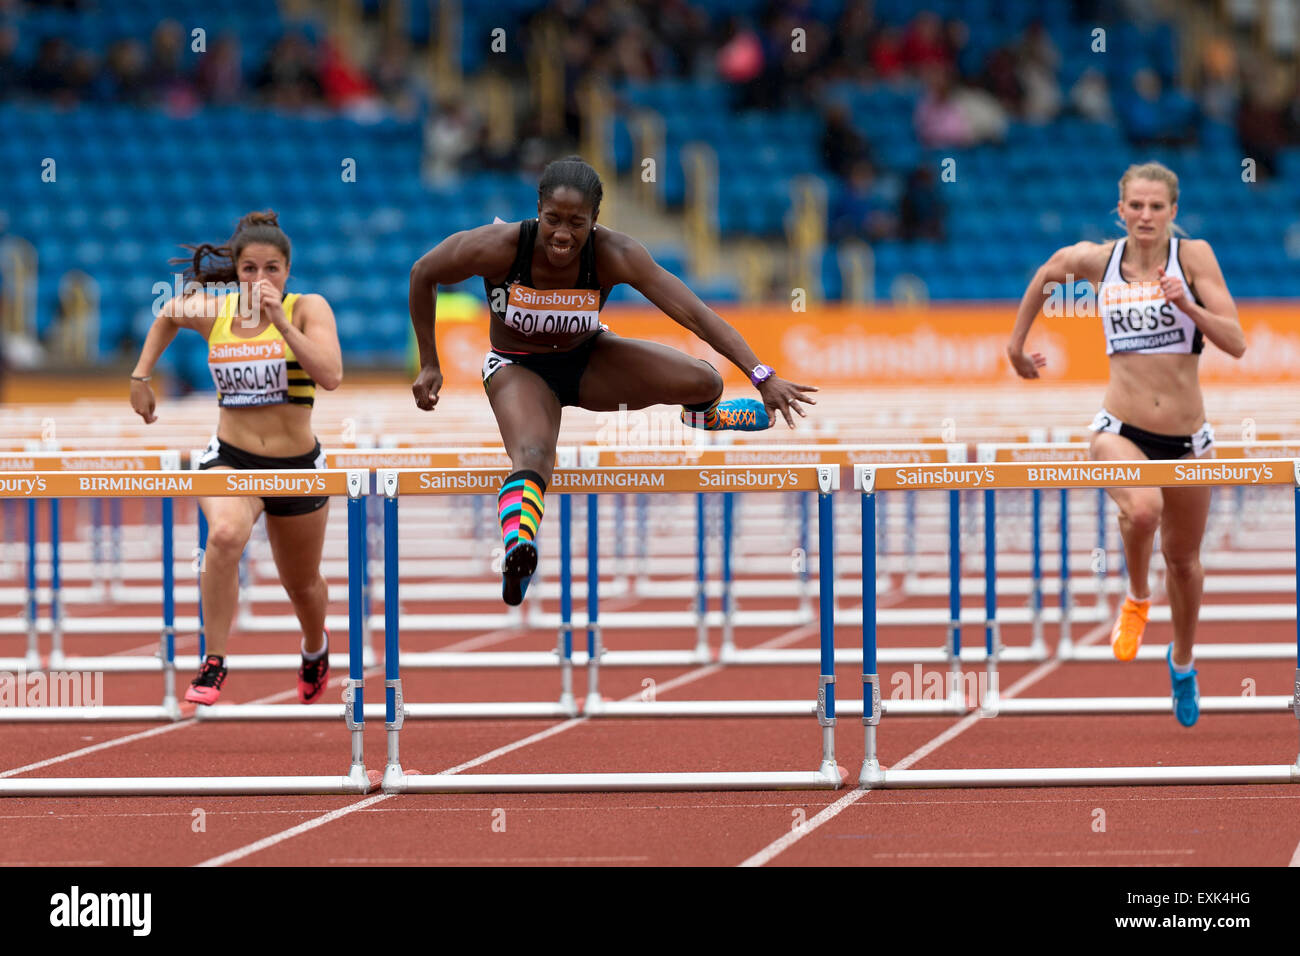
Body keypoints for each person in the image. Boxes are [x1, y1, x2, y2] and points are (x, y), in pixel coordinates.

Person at [409, 156, 816, 606]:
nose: (562, 235)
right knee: (534, 453)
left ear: (596, 221)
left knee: (704, 381)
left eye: (576, 224)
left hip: (589, 360)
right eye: (553, 220)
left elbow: (696, 315)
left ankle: (706, 417)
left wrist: (761, 375)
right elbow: (423, 273)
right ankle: (518, 547)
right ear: (538, 209)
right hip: (518, 368)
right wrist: (430, 362)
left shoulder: (616, 254)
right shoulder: (499, 246)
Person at [1007, 162, 1245, 728]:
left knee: (1184, 562)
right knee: (1142, 511)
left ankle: (1182, 661)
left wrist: (1186, 304)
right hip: (1120, 429)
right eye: (1135, 205)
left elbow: (1235, 342)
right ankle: (1137, 597)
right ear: (1120, 209)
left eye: (1155, 207)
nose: (1144, 215)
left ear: (1172, 213)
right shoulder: (1099, 260)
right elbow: (1047, 274)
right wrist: (1016, 347)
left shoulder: (1195, 258)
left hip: (1189, 439)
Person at [129, 211, 344, 705]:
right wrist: (141, 376)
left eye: (272, 269)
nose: (260, 279)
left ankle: (315, 645)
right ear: (237, 271)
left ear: (287, 271)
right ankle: (214, 660)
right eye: (250, 269)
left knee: (303, 585)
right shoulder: (215, 311)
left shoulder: (309, 308)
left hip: (296, 467)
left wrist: (283, 324)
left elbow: (330, 375)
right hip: (231, 458)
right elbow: (167, 315)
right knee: (224, 535)